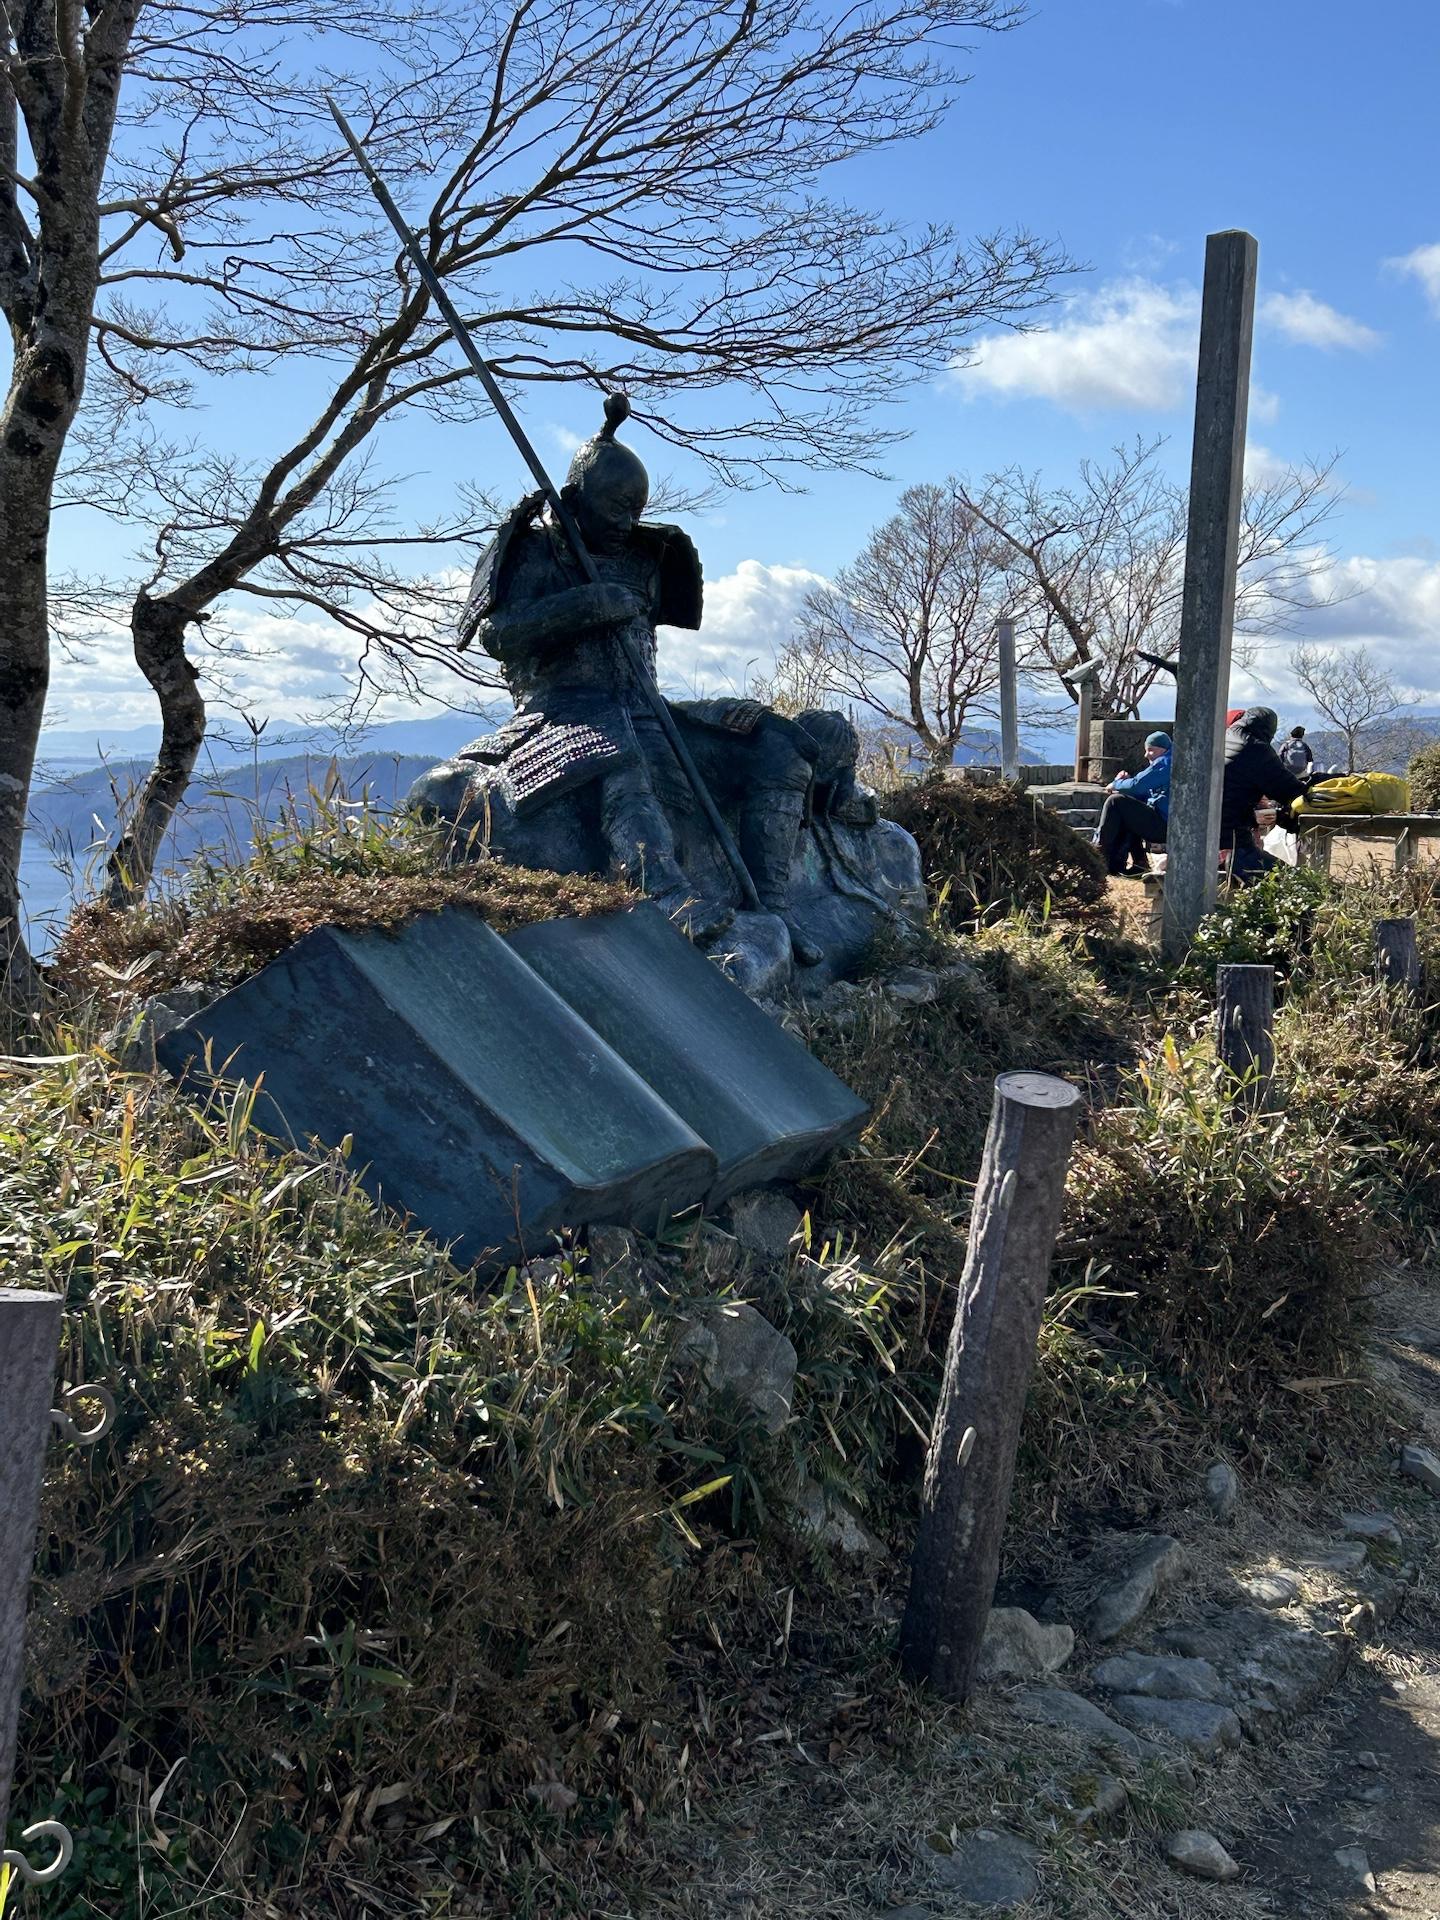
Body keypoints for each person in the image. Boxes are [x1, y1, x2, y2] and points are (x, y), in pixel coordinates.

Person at [1221, 707, 1308, 880]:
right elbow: (1289, 790)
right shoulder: (1255, 748)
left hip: (1206, 835)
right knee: (1295, 881)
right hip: (1232, 844)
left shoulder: (1222, 738)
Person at [1095, 731, 1172, 876]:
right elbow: (1143, 790)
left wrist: (1117, 784)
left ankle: (1099, 855)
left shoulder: (1165, 763)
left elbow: (1138, 784)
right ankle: (1136, 863)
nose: (1146, 755)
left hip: (1166, 825)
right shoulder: (1169, 760)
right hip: (1166, 821)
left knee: (1115, 802)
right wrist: (1124, 785)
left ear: (1162, 749)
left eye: (1150, 750)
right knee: (1127, 808)